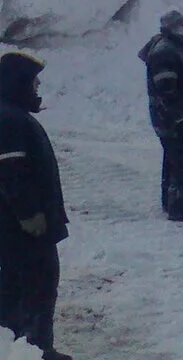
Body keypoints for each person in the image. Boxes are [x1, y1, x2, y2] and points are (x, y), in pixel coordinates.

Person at [0, 52, 72, 360]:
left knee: (22, 289)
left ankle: (30, 347)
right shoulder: (8, 118)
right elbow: (11, 171)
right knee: (33, 288)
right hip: (21, 231)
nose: (37, 89)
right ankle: (32, 350)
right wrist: (30, 215)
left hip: (16, 230)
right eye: (33, 83)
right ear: (17, 83)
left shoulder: (11, 114)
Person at [138, 10, 183, 222]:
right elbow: (166, 89)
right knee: (182, 161)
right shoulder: (165, 52)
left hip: (172, 119)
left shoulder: (170, 48)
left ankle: (172, 201)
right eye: (181, 24)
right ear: (171, 28)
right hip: (174, 120)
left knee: (174, 160)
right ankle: (179, 207)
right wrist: (179, 116)